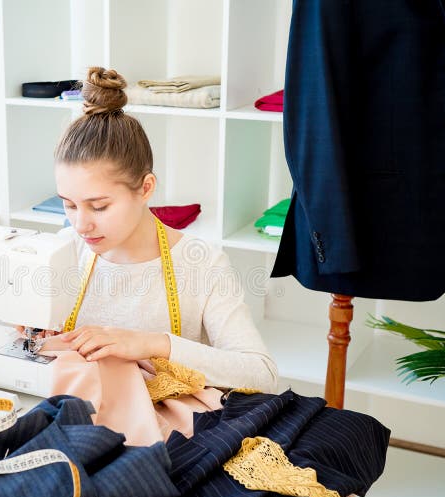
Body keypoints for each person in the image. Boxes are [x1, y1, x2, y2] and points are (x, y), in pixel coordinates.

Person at [25, 66, 277, 393]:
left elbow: (263, 375)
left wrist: (153, 344)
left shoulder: (201, 264)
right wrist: (35, 329)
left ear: (145, 189)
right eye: (69, 204)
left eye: (99, 206)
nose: (80, 224)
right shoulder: (62, 250)